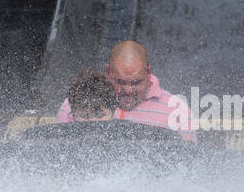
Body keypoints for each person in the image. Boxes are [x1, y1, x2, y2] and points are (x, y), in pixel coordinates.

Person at [56, 40, 195, 140]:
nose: (128, 90)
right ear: (108, 72)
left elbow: (188, 166)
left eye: (136, 82)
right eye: (120, 82)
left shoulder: (177, 110)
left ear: (148, 72)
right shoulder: (78, 102)